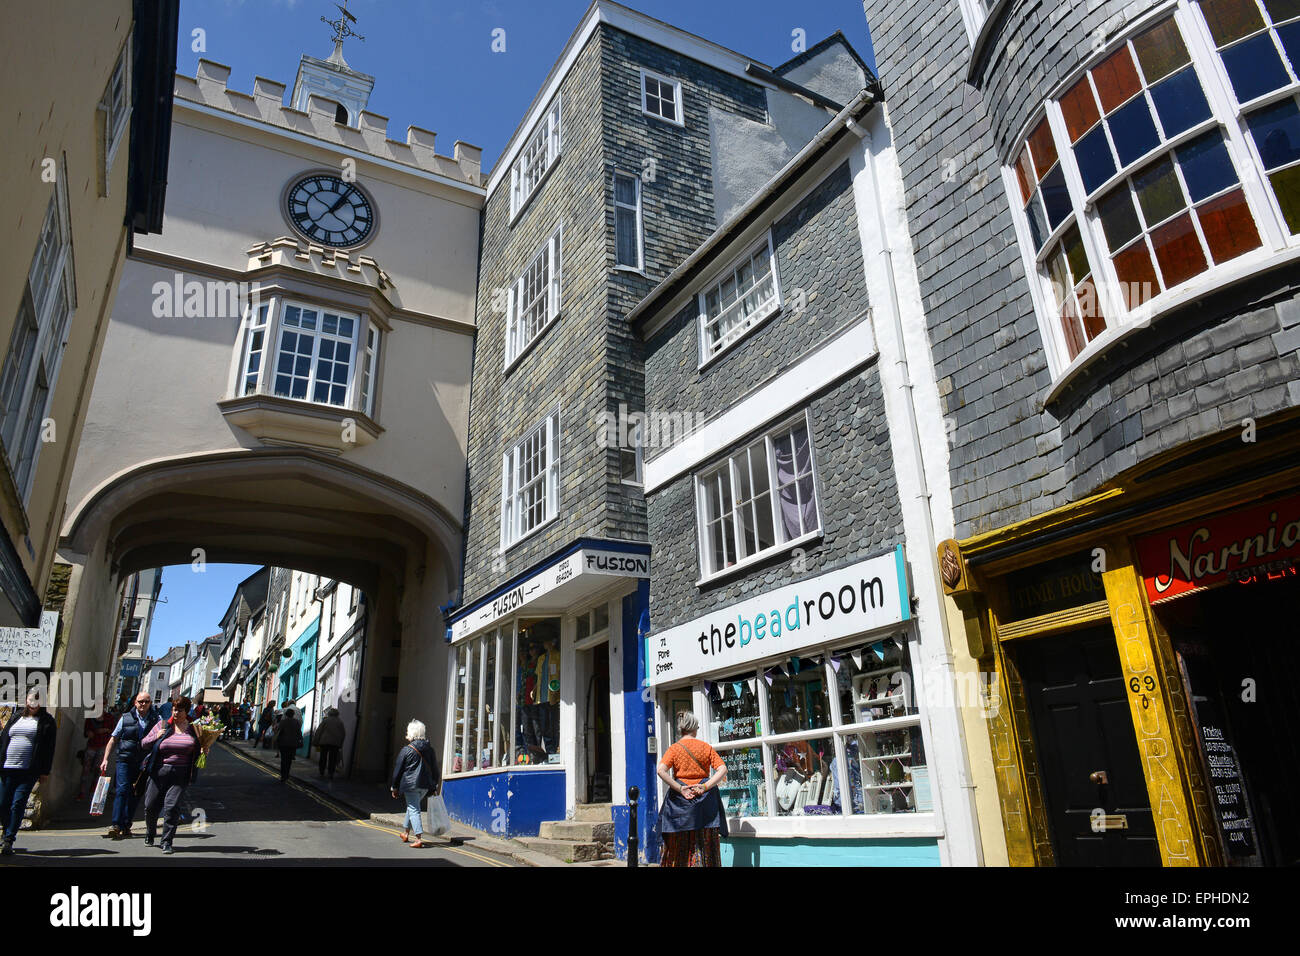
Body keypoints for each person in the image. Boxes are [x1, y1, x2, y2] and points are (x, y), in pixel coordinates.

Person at [655, 711, 728, 868]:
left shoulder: (674, 749)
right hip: (705, 801)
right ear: (694, 728)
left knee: (679, 841)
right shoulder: (705, 747)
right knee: (705, 841)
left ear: (681, 729)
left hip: (680, 803)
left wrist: (680, 788)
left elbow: (660, 770)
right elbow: (722, 769)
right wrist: (705, 786)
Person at [139, 695, 206, 854]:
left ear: (186, 711)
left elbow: (201, 750)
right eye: (174, 710)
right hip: (158, 771)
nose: (176, 713)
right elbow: (143, 743)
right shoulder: (162, 725)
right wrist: (156, 736)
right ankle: (150, 831)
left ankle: (167, 841)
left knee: (172, 807)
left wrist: (204, 750)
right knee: (150, 805)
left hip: (181, 773)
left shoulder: (194, 729)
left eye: (180, 710)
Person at [0, 689, 57, 855]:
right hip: (7, 768)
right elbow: (4, 738)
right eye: (31, 699)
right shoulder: (17, 717)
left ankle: (9, 839)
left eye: (38, 701)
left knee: (18, 804)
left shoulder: (47, 721)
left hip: (28, 771)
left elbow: (49, 748)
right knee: (3, 803)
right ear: (26, 700)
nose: (34, 703)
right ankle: (6, 831)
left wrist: (45, 771)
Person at [100, 691, 160, 839]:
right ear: (135, 703)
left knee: (136, 794)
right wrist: (105, 759)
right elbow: (113, 738)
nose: (143, 704)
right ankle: (116, 824)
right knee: (122, 790)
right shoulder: (125, 718)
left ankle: (126, 824)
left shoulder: (156, 719)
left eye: (146, 701)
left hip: (144, 762)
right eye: (140, 701)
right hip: (125, 759)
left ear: (150, 703)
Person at [389, 719, 440, 848]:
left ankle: (418, 838)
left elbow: (398, 770)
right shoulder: (430, 750)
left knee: (413, 809)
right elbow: (435, 770)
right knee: (412, 807)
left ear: (410, 733)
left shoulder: (407, 750)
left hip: (410, 785)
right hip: (425, 786)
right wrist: (434, 786)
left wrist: (394, 787)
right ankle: (405, 833)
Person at [313, 708, 346, 780]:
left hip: (325, 742)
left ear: (329, 714)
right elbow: (343, 734)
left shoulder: (326, 721)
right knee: (333, 759)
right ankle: (330, 773)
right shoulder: (340, 722)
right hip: (335, 743)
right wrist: (340, 743)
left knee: (323, 757)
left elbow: (319, 731)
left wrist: (316, 741)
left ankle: (321, 772)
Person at [272, 706, 302, 783]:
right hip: (292, 743)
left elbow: (279, 730)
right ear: (293, 714)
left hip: (283, 743)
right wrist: (300, 740)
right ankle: (287, 774)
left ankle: (283, 775)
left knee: (283, 759)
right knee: (289, 760)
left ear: (286, 714)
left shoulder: (283, 722)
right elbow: (299, 732)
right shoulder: (296, 722)